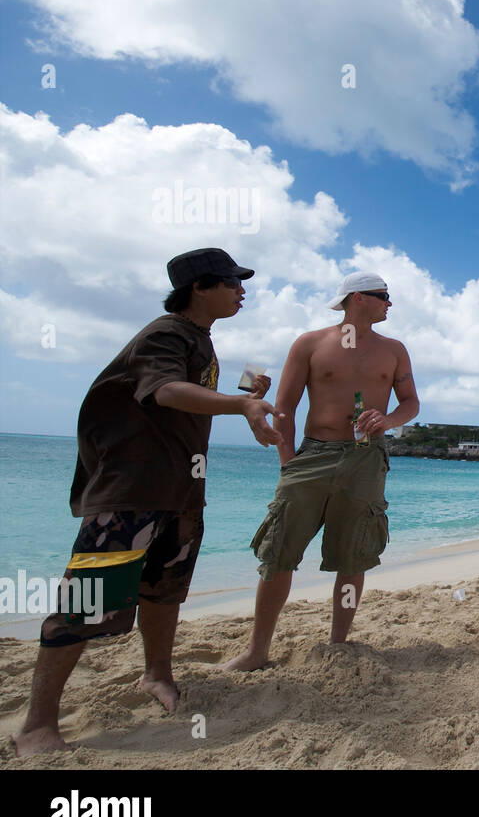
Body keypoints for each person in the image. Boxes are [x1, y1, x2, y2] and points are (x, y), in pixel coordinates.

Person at [13, 249, 282, 757]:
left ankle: (156, 674)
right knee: (83, 603)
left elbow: (185, 399)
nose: (242, 290)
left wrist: (244, 396)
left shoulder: (198, 340)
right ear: (200, 287)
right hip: (131, 493)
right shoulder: (163, 334)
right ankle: (37, 724)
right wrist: (240, 403)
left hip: (179, 493)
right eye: (232, 282)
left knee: (164, 589)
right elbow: (164, 392)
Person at [223, 272, 419, 671]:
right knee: (278, 552)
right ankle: (257, 651)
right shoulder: (310, 343)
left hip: (366, 458)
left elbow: (412, 403)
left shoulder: (395, 350)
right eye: (384, 296)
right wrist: (287, 463)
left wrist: (389, 418)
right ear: (357, 299)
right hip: (312, 455)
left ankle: (338, 643)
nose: (389, 303)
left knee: (354, 554)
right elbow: (286, 408)